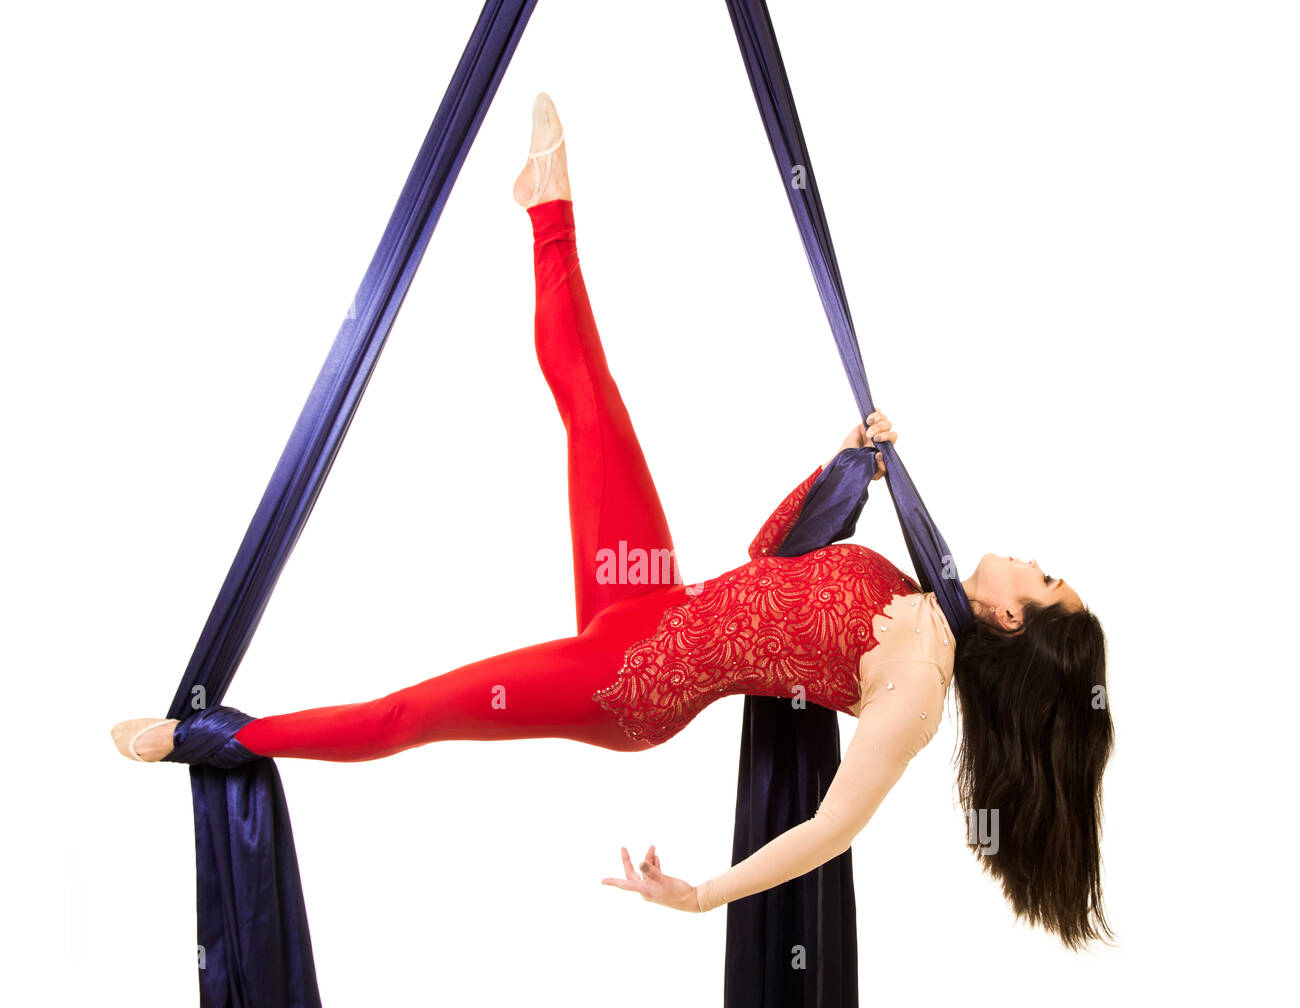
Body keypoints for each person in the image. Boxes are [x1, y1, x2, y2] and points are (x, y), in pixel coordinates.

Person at [112, 95, 1113, 948]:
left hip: (629, 685)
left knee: (410, 712)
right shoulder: (910, 586)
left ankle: (205, 736)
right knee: (591, 399)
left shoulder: (914, 691)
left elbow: (831, 828)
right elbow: (767, 558)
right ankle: (545, 205)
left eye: (1045, 574)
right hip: (646, 595)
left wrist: (702, 892)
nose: (1029, 557)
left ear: (1016, 619)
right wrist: (847, 462)